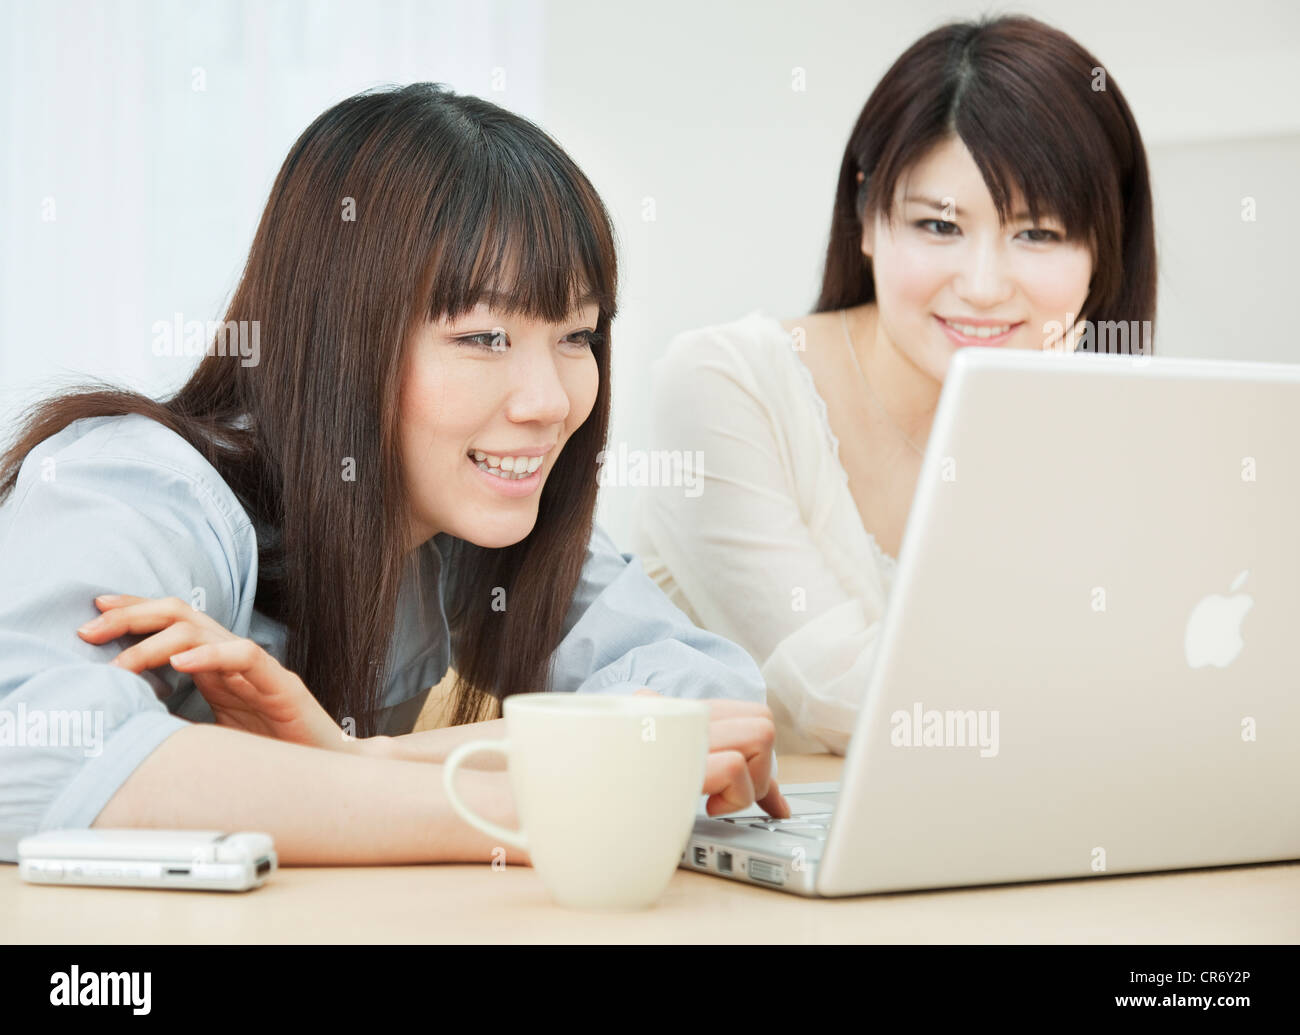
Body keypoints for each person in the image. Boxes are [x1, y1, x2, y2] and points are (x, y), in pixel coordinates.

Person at [0, 83, 789, 867]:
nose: (550, 402)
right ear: (339, 339)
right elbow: (28, 757)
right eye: (483, 337)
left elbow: (709, 706)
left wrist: (362, 768)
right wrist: (525, 800)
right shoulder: (139, 485)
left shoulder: (462, 502)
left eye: (576, 335)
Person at [633, 15, 1158, 755]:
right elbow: (835, 690)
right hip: (741, 856)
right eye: (940, 226)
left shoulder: (1097, 429)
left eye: (1037, 234)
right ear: (868, 216)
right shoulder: (725, 384)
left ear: (1104, 250)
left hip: (1005, 844)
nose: (981, 286)